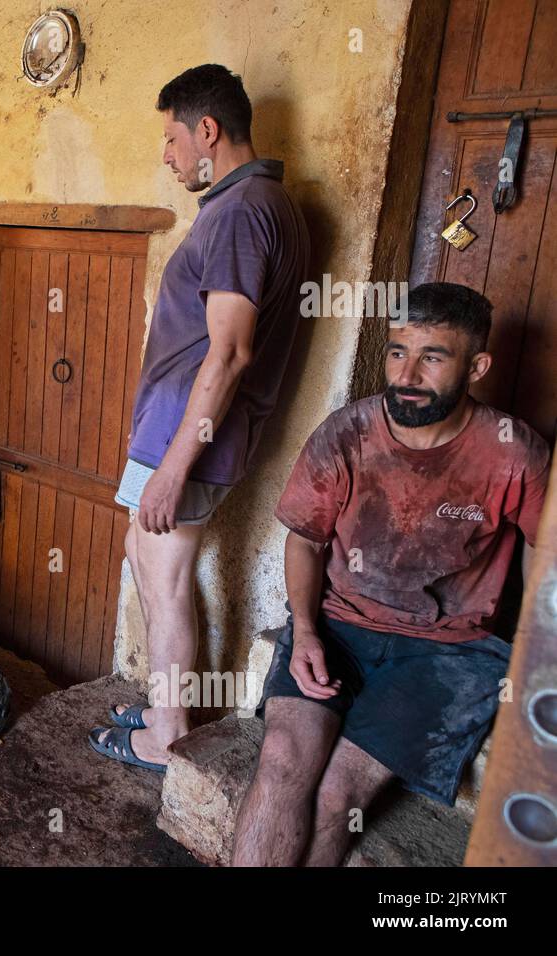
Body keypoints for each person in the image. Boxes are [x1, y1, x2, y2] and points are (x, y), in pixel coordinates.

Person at [233, 283, 550, 866]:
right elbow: (305, 540)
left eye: (432, 356)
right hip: (340, 626)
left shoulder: (514, 452)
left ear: (476, 366)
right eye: (398, 351)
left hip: (450, 651)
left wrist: (536, 646)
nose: (407, 373)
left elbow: (542, 548)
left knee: (337, 795)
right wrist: (304, 631)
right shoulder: (346, 434)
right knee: (281, 761)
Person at [91, 64, 309, 771]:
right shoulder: (253, 205)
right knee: (149, 558)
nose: (166, 154)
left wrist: (174, 469)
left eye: (171, 137)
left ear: (207, 131)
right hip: (179, 427)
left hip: (191, 435)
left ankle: (168, 735)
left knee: (163, 570)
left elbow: (231, 353)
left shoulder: (244, 212)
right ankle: (163, 711)